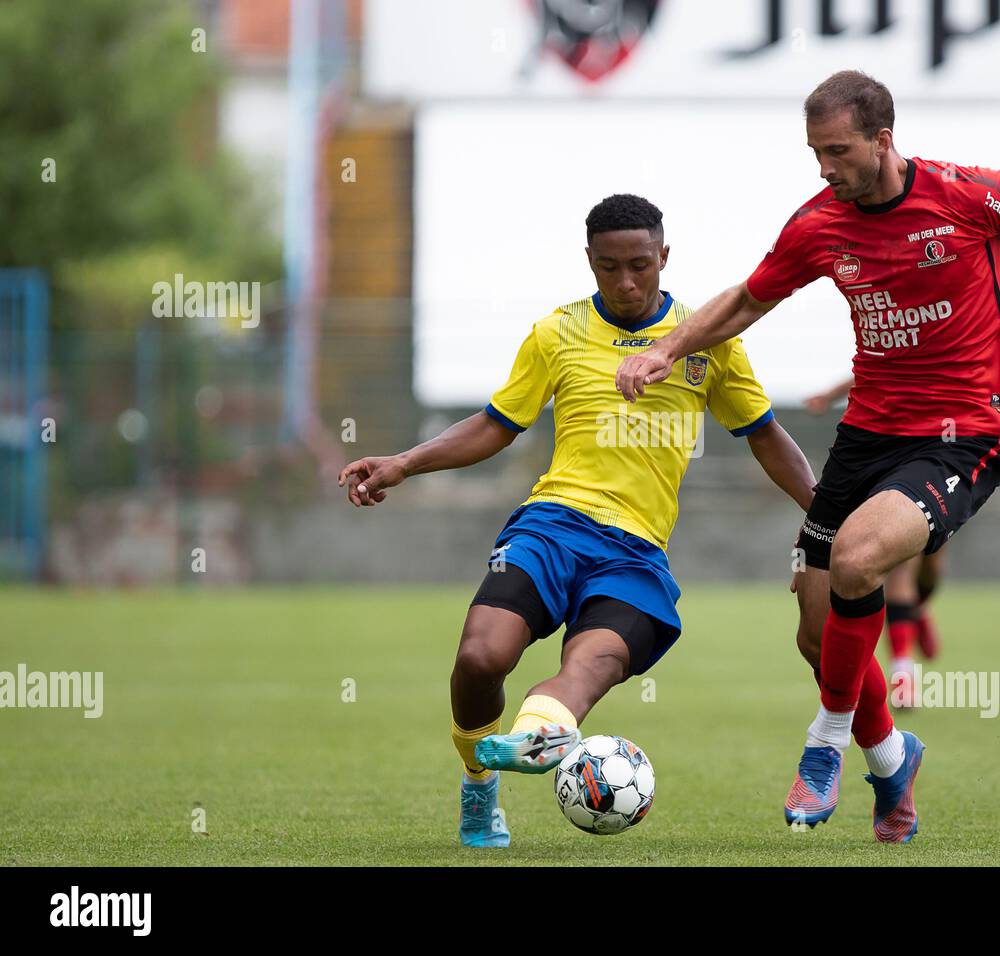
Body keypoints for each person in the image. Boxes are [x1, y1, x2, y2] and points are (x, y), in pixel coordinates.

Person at [614, 71, 1000, 843]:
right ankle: (893, 760)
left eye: (837, 150)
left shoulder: (967, 194)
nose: (824, 167)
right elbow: (747, 299)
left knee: (860, 560)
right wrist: (668, 347)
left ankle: (824, 746)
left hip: (966, 433)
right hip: (868, 436)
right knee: (814, 629)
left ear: (883, 139)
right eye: (814, 153)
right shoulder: (819, 224)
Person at [339, 194, 815, 848]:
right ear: (589, 262)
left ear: (664, 258)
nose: (625, 282)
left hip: (635, 558)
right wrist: (404, 462)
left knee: (586, 670)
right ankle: (481, 785)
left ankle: (539, 732)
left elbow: (764, 435)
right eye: (608, 267)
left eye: (640, 266)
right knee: (480, 659)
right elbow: (495, 426)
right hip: (551, 528)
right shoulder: (556, 334)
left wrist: (823, 512)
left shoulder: (706, 345)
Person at [803, 376, 945, 705]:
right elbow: (863, 377)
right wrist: (828, 395)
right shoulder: (890, 359)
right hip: (880, 465)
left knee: (930, 570)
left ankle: (918, 608)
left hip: (935, 466)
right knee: (900, 572)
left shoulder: (945, 371)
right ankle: (903, 675)